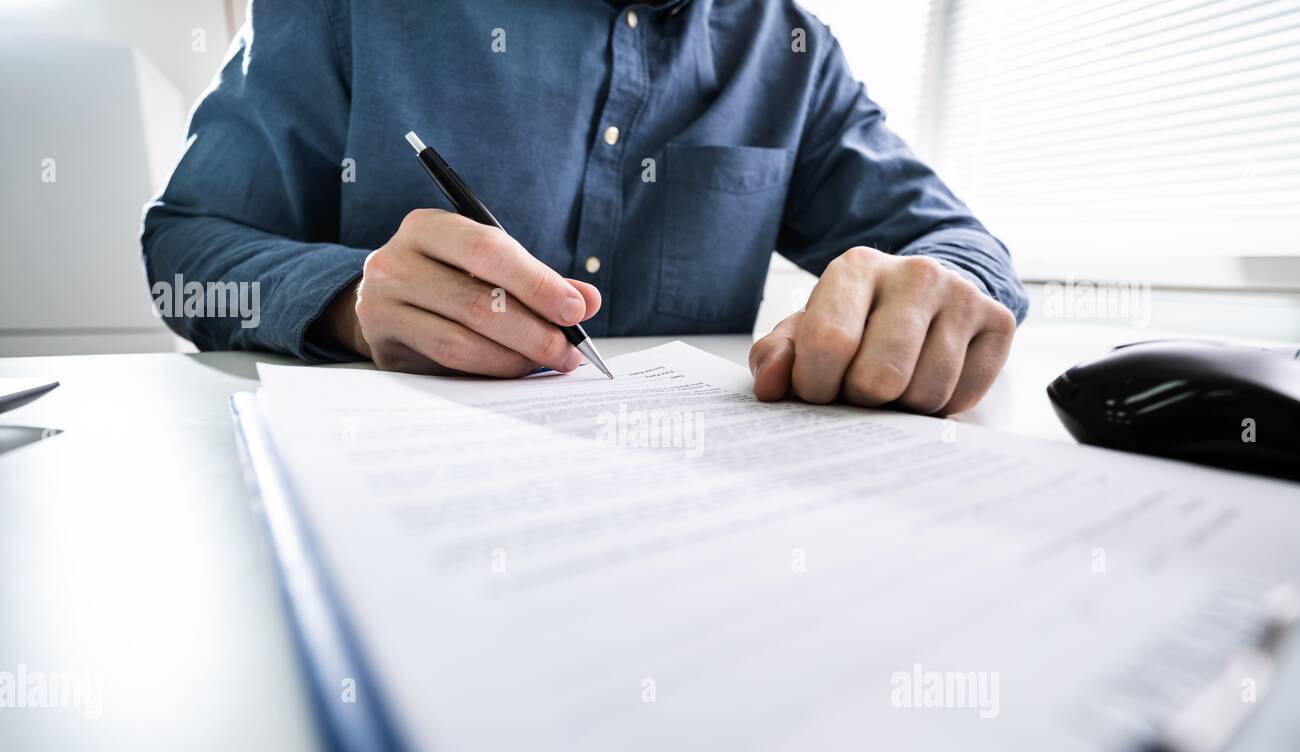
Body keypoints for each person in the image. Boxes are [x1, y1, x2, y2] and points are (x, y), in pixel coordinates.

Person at [142, 0, 1027, 414]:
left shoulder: (791, 49)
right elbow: (186, 247)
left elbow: (954, 243)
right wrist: (348, 301)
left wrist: (940, 288)